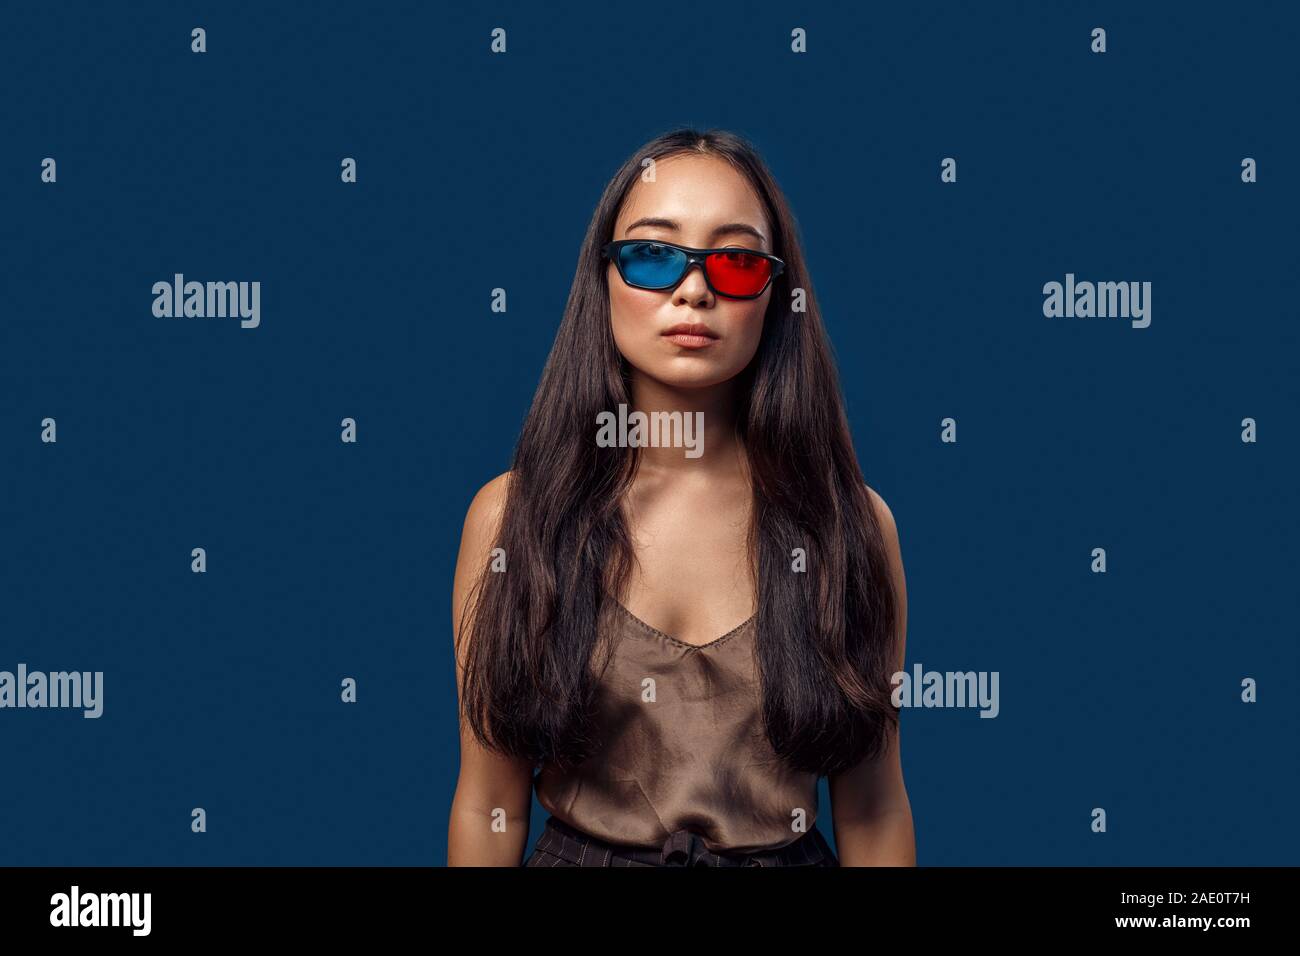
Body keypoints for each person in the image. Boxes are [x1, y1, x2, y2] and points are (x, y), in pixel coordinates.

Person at [448, 128, 914, 867]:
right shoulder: (512, 518)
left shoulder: (851, 526)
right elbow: (488, 803)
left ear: (774, 292)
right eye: (653, 255)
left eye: (734, 261)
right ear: (602, 279)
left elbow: (876, 808)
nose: (693, 290)